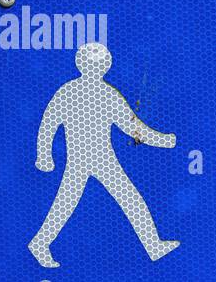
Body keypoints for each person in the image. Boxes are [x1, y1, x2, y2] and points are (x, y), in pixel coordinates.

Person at [28, 42, 179, 268]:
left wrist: (163, 141)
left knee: (125, 198)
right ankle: (40, 243)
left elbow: (133, 127)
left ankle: (154, 245)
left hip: (101, 158)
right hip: (86, 159)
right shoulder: (75, 93)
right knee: (71, 203)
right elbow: (49, 122)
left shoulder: (101, 94)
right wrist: (43, 156)